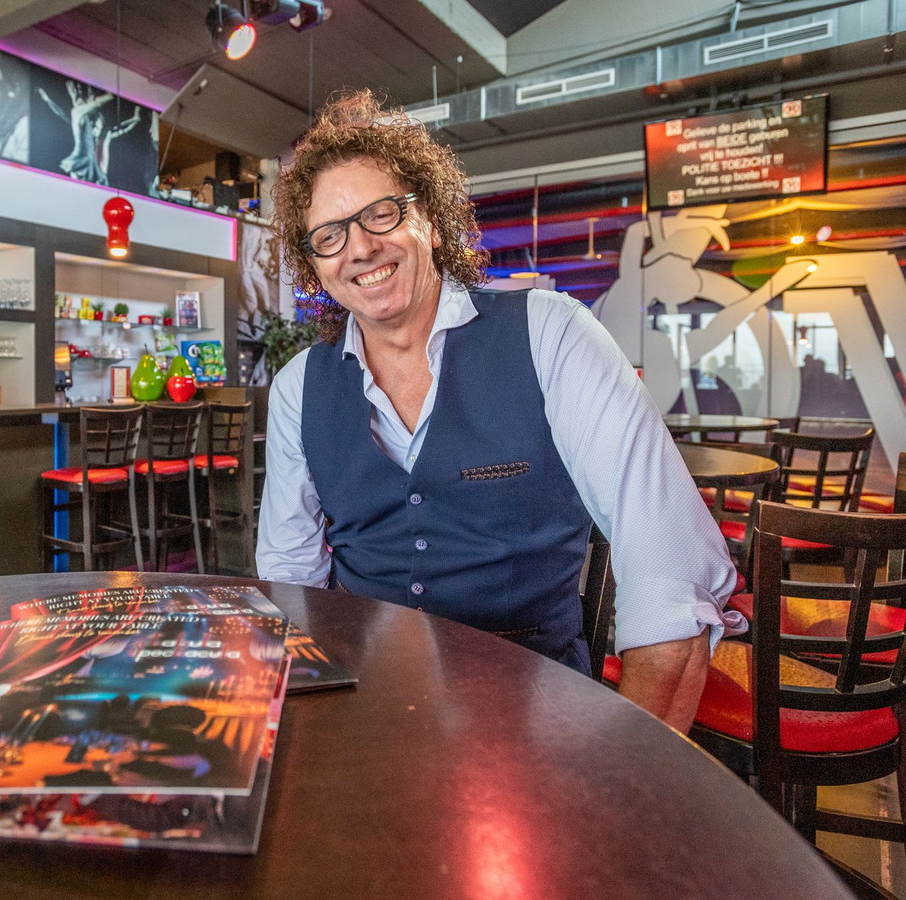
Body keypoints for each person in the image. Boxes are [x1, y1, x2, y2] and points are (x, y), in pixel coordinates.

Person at [257, 90, 744, 732]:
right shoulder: (298, 387)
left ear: (429, 219)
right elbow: (290, 584)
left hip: (535, 708)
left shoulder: (549, 334)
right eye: (329, 234)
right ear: (316, 264)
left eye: (380, 215)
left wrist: (620, 787)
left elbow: (667, 566)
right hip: (367, 707)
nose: (360, 248)